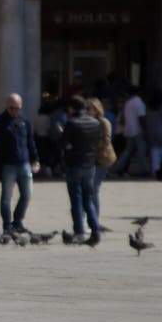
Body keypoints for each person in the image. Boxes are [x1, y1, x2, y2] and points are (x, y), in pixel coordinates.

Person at [0, 94, 40, 236]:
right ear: (7, 106)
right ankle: (7, 225)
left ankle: (17, 222)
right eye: (12, 108)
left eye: (17, 108)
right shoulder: (0, 121)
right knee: (6, 197)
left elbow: (31, 142)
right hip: (8, 165)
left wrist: (35, 158)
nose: (14, 111)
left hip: (24, 163)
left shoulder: (24, 121)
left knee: (27, 194)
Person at [61, 96, 101, 246]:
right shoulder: (95, 122)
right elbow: (95, 142)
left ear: (72, 108)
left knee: (76, 200)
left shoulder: (71, 123)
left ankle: (79, 231)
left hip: (74, 165)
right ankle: (95, 229)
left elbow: (64, 143)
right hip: (90, 165)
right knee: (88, 199)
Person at [86, 96, 114, 229]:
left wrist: (92, 145)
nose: (86, 111)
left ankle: (95, 219)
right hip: (90, 159)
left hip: (102, 159)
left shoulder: (103, 122)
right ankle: (92, 218)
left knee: (94, 189)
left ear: (96, 109)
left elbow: (107, 140)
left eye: (89, 108)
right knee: (90, 189)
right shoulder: (87, 122)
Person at [113, 86, 147, 176]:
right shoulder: (139, 102)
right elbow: (141, 117)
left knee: (128, 151)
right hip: (137, 130)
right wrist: (145, 129)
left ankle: (119, 167)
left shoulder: (128, 103)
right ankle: (144, 169)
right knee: (141, 151)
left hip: (128, 130)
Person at [145, 89, 162, 175]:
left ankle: (156, 171)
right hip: (161, 132)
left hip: (151, 132)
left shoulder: (148, 107)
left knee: (154, 153)